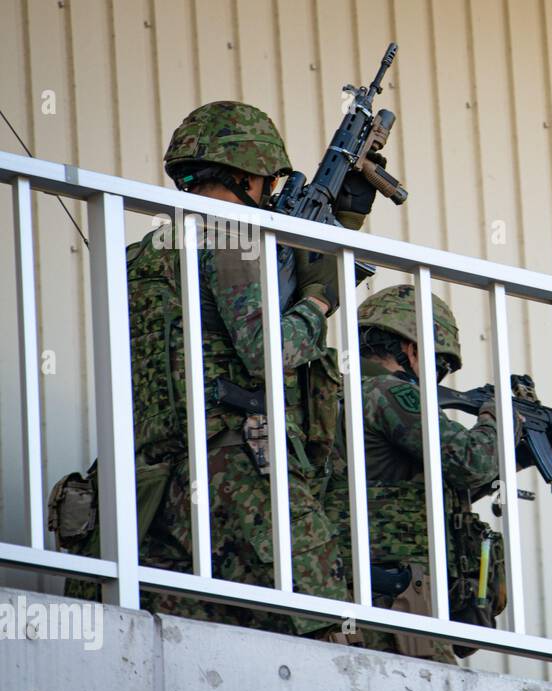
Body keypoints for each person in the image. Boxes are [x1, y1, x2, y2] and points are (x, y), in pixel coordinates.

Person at [52, 101, 376, 638]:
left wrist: (342, 225)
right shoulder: (232, 234)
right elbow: (267, 354)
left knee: (194, 630)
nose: (270, 192)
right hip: (234, 465)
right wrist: (319, 304)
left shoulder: (144, 253)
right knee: (328, 620)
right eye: (267, 182)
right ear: (250, 174)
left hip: (153, 483)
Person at [324, 284, 512, 662]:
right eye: (439, 367)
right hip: (398, 605)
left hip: (362, 593)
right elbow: (472, 461)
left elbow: (421, 487)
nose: (435, 380)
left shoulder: (336, 393)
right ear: (412, 350)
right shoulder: (391, 392)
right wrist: (498, 418)